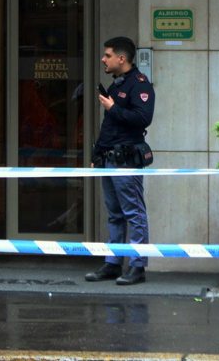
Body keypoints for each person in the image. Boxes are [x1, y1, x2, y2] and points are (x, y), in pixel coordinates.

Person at [85, 37, 155, 286]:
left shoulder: (139, 85)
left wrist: (113, 108)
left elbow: (143, 119)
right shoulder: (117, 85)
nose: (103, 59)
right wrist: (97, 155)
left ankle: (137, 266)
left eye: (108, 55)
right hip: (108, 159)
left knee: (133, 213)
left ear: (121, 58)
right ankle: (113, 263)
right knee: (114, 214)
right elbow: (110, 127)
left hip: (126, 161)